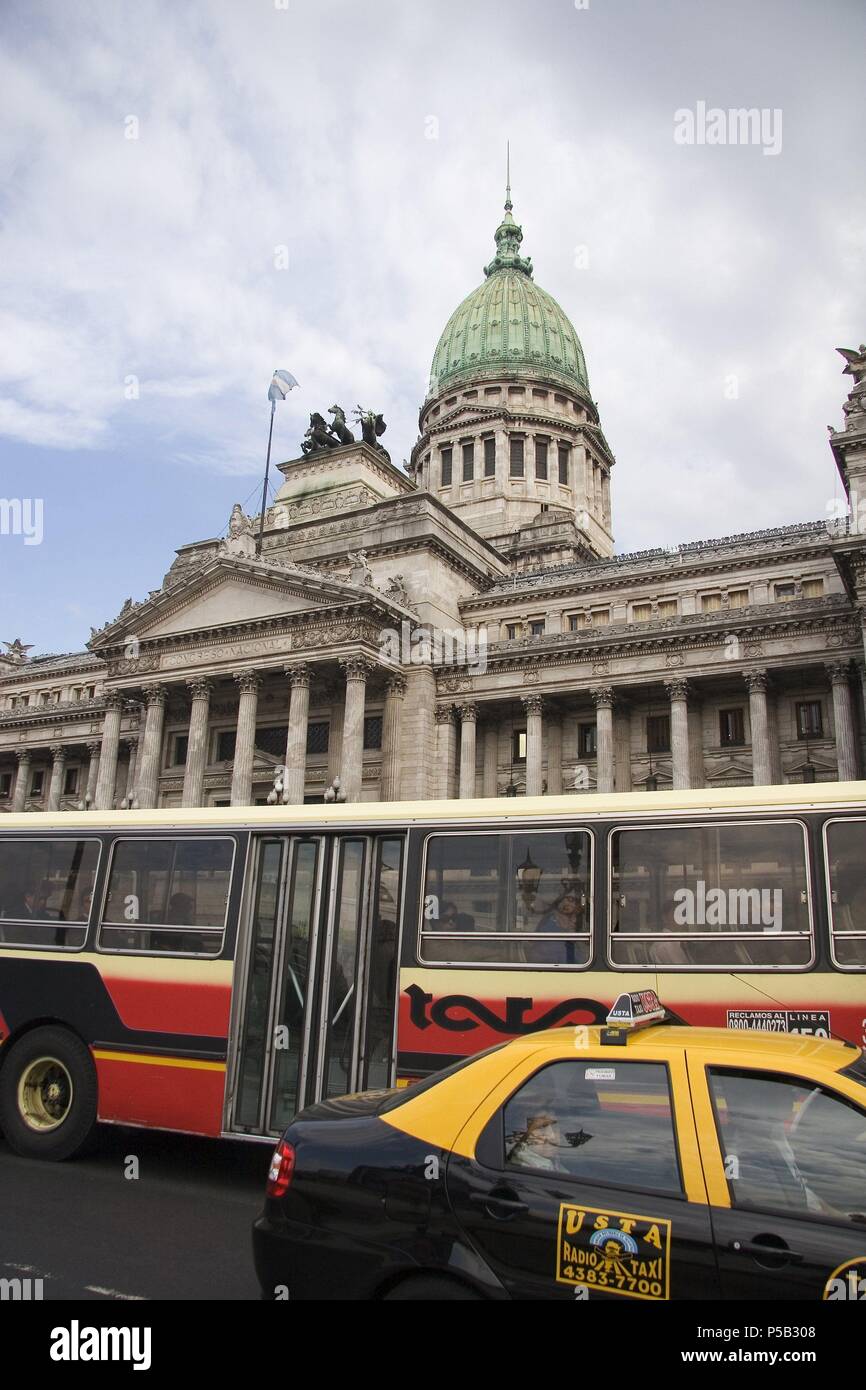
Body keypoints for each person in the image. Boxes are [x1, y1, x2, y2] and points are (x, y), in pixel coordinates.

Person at [534, 890, 581, 964]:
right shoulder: (547, 920)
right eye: (568, 899)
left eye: (573, 901)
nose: (569, 904)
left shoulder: (576, 920)